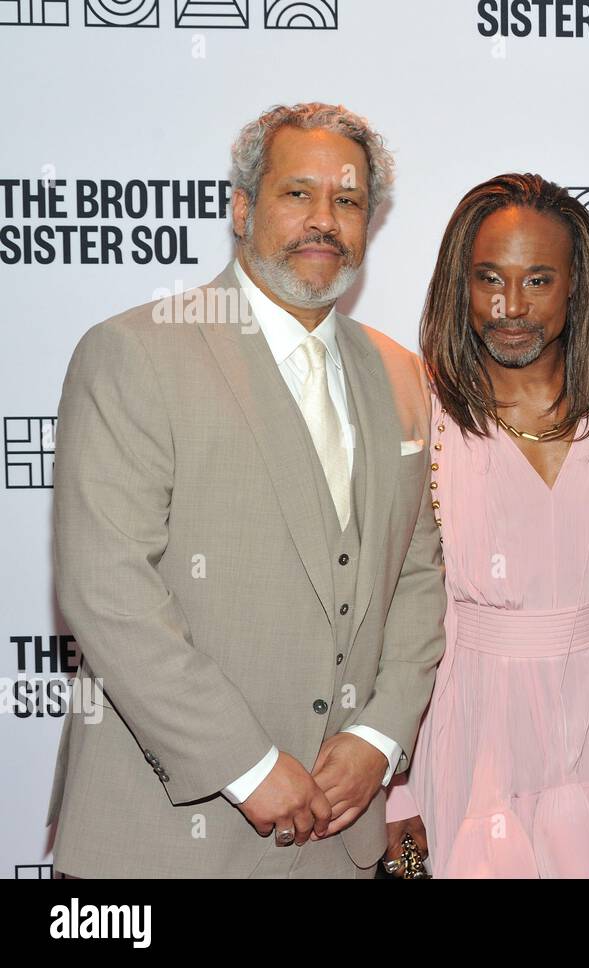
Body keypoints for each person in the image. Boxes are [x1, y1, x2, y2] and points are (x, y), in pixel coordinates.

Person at [49, 102, 445, 878]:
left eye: (349, 200)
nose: (324, 221)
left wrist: (380, 739)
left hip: (342, 842)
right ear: (241, 208)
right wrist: (247, 764)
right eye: (298, 194)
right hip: (159, 847)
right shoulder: (136, 354)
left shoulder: (401, 375)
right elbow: (107, 590)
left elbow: (419, 576)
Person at [382, 174, 589, 878]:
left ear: (578, 285)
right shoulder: (418, 404)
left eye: (539, 280)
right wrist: (398, 792)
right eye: (489, 278)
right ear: (461, 283)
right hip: (468, 720)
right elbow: (386, 605)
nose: (510, 307)